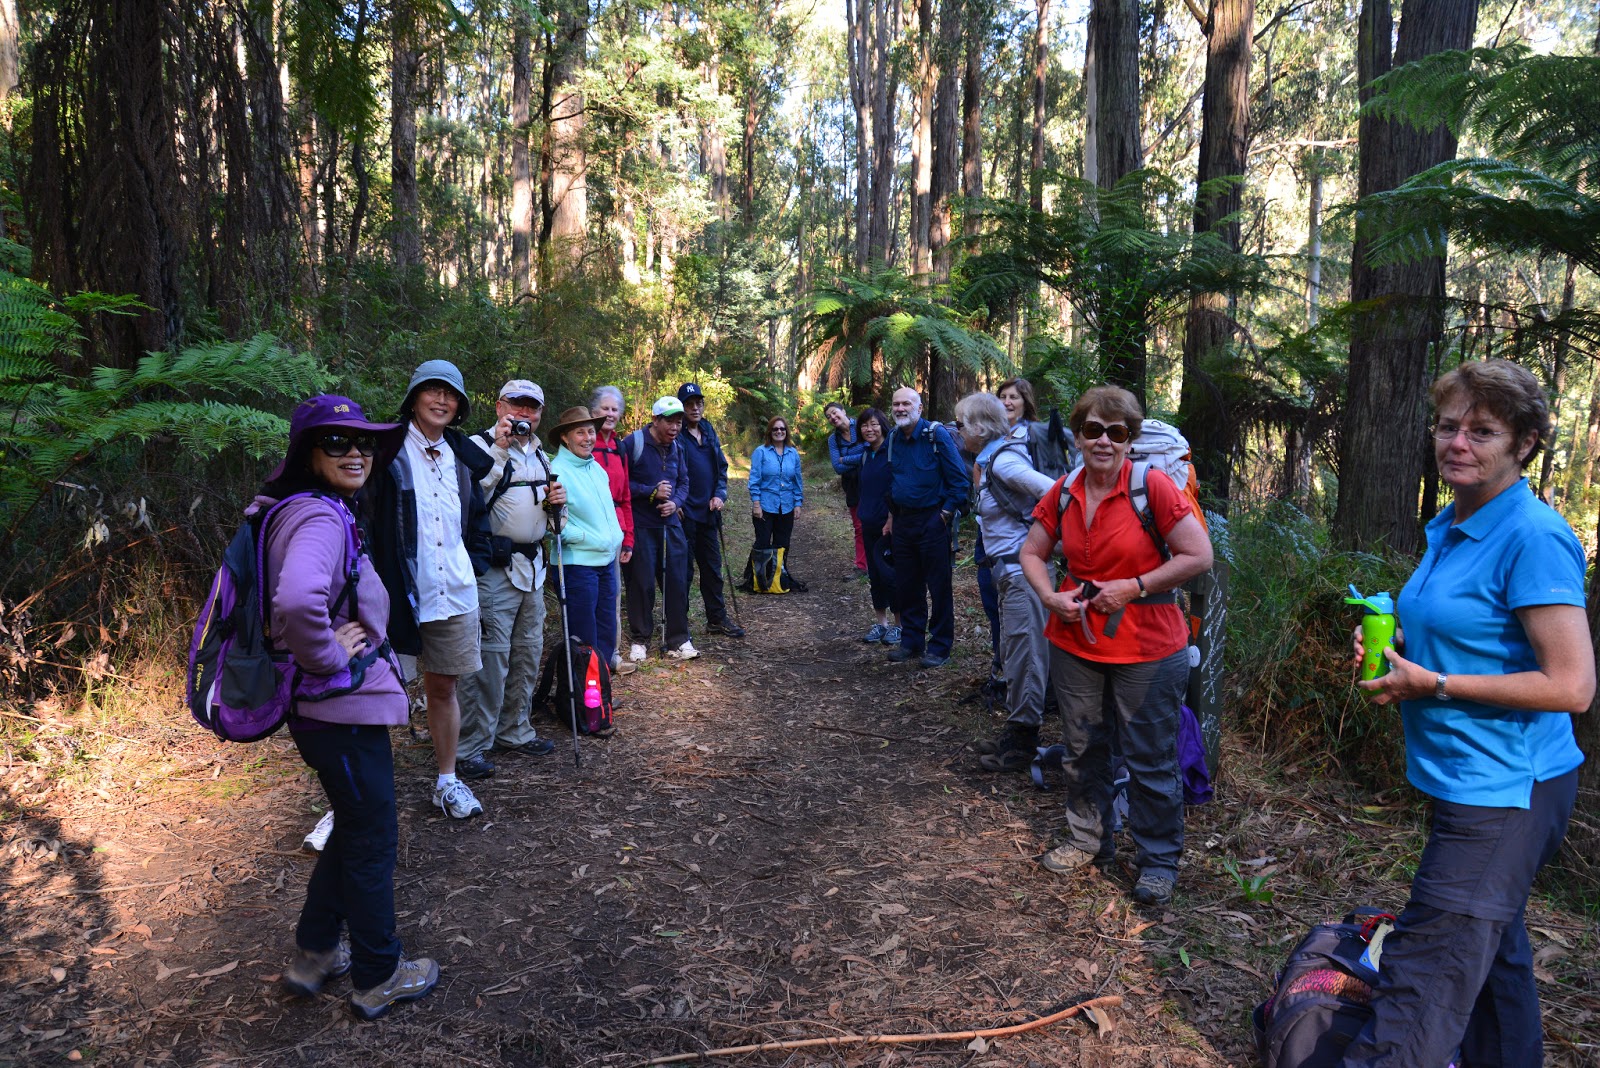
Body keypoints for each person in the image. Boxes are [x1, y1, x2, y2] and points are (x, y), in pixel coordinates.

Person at [1339, 359, 1594, 1068]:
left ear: (1525, 444)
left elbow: (1572, 686)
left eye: (1482, 431)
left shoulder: (1531, 536)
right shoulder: (1454, 521)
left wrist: (1438, 684)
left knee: (1424, 977)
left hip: (1509, 791)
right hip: (1467, 782)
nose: (1458, 443)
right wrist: (1398, 649)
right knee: (1494, 966)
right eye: (1449, 426)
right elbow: (1472, 632)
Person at [262, 395, 438, 1019]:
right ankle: (378, 972)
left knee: (353, 824)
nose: (356, 452)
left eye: (363, 442)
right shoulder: (319, 518)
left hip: (323, 712)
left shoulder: (302, 509)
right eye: (336, 443)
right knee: (371, 836)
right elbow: (298, 599)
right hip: (338, 706)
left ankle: (314, 954)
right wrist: (329, 659)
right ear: (309, 455)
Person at [1018, 385, 1213, 906]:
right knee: (1083, 748)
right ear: (1077, 436)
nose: (1104, 441)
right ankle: (1089, 840)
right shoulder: (1062, 491)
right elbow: (1032, 552)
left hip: (1149, 646)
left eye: (1117, 432)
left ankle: (1158, 859)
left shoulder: (1153, 488)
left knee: (1150, 759)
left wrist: (1136, 586)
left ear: (1131, 439)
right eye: (1093, 430)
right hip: (1077, 640)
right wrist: (1047, 596)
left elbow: (1198, 555)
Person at [365, 359, 492, 821]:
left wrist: (473, 564)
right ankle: (355, 797)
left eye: (451, 394)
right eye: (432, 391)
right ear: (414, 398)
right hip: (397, 594)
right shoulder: (386, 451)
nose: (441, 400)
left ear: (458, 406)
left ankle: (446, 781)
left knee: (443, 688)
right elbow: (363, 516)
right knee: (373, 693)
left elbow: (475, 519)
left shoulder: (461, 456)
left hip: (453, 592)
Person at [454, 380, 565, 780]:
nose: (523, 415)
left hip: (534, 570)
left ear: (540, 414)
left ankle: (515, 730)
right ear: (499, 406)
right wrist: (499, 452)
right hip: (494, 570)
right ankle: (472, 745)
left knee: (526, 653)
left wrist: (559, 507)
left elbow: (554, 523)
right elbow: (465, 503)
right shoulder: (477, 447)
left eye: (531, 408)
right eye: (515, 405)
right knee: (489, 659)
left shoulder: (542, 456)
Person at [956, 392, 1058, 772]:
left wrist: (1038, 539)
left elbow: (1054, 491)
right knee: (1016, 651)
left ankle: (1023, 740)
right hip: (1011, 573)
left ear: (980, 428)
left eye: (962, 423)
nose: (959, 430)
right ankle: (1017, 729)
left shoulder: (1005, 461)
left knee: (1026, 652)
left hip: (1023, 574)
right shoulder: (992, 458)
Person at [884, 387, 967, 668]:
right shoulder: (893, 438)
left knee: (939, 586)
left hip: (932, 521)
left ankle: (940, 646)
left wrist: (943, 515)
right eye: (896, 404)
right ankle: (912, 641)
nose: (900, 408)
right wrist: (892, 515)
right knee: (907, 585)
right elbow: (890, 479)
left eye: (906, 403)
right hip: (903, 522)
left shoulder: (936, 435)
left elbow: (959, 481)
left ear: (919, 408)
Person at [546, 406, 626, 673]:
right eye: (580, 432)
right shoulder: (557, 472)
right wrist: (584, 537)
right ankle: (582, 702)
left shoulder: (596, 469)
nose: (588, 438)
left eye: (591, 431)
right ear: (565, 438)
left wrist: (614, 538)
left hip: (604, 561)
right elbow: (552, 525)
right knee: (584, 636)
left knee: (605, 631)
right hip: (576, 565)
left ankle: (599, 695)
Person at [623, 396, 697, 661]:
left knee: (677, 581)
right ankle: (640, 639)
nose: (675, 427)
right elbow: (619, 485)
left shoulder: (678, 447)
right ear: (655, 420)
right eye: (670, 421)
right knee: (641, 583)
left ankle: (679, 639)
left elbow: (685, 482)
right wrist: (650, 492)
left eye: (679, 422)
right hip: (641, 525)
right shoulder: (634, 443)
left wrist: (675, 501)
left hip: (671, 525)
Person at [678, 382, 744, 637]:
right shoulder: (677, 434)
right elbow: (670, 470)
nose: (695, 408)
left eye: (699, 403)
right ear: (682, 407)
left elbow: (722, 468)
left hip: (709, 513)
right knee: (683, 572)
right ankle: (679, 626)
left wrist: (719, 494)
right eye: (690, 404)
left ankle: (716, 619)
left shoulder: (708, 430)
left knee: (712, 570)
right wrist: (676, 502)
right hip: (685, 515)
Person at [589, 385, 636, 674]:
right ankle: (590, 659)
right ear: (592, 412)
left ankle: (612, 656)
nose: (609, 414)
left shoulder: (620, 447)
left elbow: (626, 496)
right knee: (591, 597)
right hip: (589, 530)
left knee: (612, 597)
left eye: (614, 409)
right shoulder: (582, 445)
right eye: (604, 408)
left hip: (615, 530)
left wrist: (629, 538)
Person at [850, 407, 900, 644]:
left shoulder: (892, 452)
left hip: (888, 525)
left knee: (891, 574)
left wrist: (891, 517)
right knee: (875, 575)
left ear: (882, 425)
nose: (869, 429)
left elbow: (896, 488)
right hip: (868, 521)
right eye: (864, 425)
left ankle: (900, 625)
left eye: (873, 424)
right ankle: (881, 623)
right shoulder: (865, 454)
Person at [748, 415, 805, 588]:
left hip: (786, 506)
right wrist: (756, 504)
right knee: (763, 542)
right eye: (775, 429)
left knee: (783, 544)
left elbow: (797, 481)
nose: (779, 431)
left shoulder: (793, 453)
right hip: (765, 505)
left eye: (782, 429)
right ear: (770, 432)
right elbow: (754, 479)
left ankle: (779, 578)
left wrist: (797, 503)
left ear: (786, 432)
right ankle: (759, 580)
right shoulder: (761, 452)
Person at [824, 401, 867, 572]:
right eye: (829, 417)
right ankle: (862, 566)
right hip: (852, 486)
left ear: (843, 411)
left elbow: (872, 451)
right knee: (859, 526)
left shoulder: (863, 426)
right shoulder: (833, 439)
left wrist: (846, 458)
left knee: (880, 523)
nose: (833, 417)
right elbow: (837, 467)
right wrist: (861, 458)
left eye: (835, 413)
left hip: (872, 482)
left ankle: (882, 560)